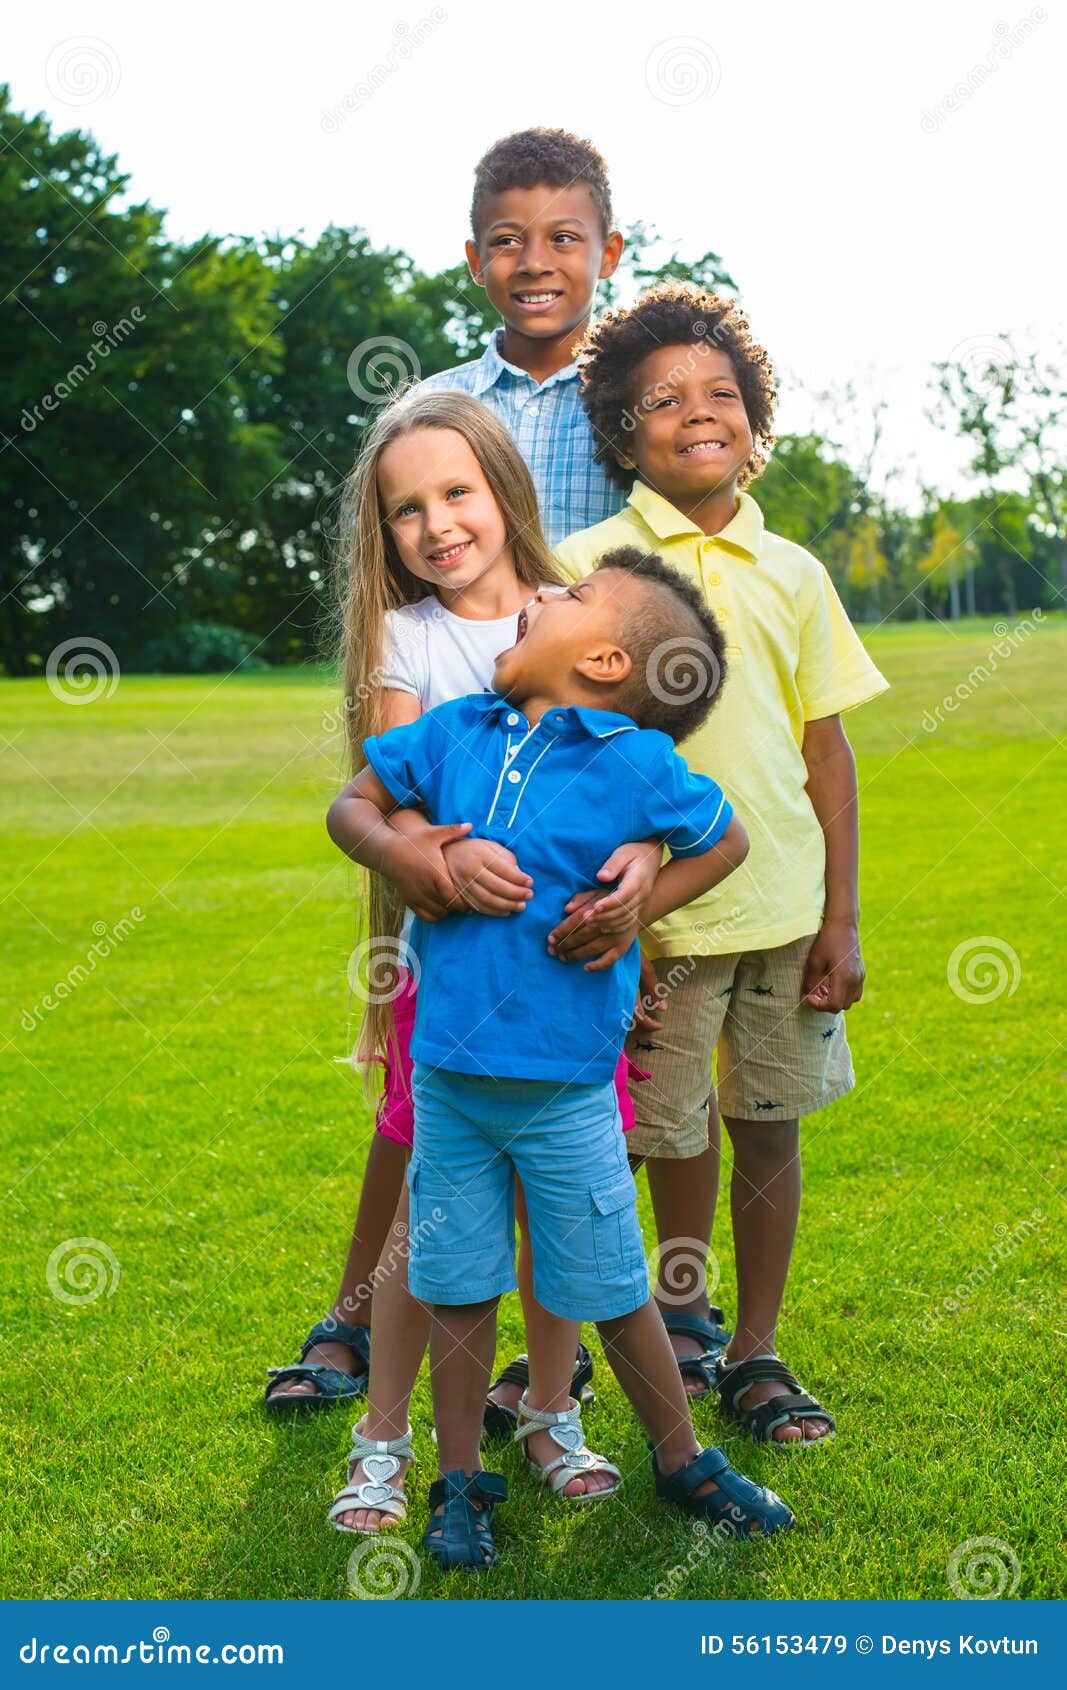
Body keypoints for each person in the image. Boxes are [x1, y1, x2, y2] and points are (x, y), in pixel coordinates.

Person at [331, 546, 794, 1568]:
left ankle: (680, 1456)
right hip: (450, 1083)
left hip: (570, 1092)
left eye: (572, 598)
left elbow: (724, 841)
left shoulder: (631, 765)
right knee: (458, 1283)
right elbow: (350, 807)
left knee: (613, 1284)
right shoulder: (454, 731)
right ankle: (459, 1482)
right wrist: (407, 852)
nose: (540, 593)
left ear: (601, 666)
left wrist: (640, 904)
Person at [267, 388, 660, 1530]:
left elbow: (644, 771)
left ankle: (545, 1411)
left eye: (456, 493)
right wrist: (433, 856)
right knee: (428, 1218)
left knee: (560, 1209)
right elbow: (378, 803)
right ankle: (382, 1441)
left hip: (574, 987)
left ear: (504, 490)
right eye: (404, 510)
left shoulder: (578, 612)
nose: (436, 524)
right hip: (453, 993)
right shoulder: (410, 640)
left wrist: (638, 856)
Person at [551, 282, 889, 1445]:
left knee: (767, 1126)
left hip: (785, 910)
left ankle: (754, 1349)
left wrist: (840, 916)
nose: (699, 415)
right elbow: (566, 751)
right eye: (664, 400)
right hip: (654, 921)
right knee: (654, 1133)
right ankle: (663, 1329)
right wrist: (616, 908)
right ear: (619, 430)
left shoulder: (792, 570)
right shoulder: (586, 563)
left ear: (755, 415)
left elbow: (823, 749)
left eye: (721, 395)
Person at [418, 126, 625, 545]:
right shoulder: (423, 411)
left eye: (563, 238)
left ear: (607, 254)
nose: (533, 262)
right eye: (507, 241)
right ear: (476, 261)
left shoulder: (649, 403)